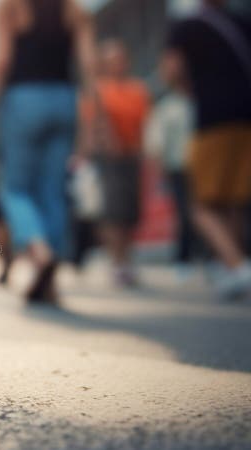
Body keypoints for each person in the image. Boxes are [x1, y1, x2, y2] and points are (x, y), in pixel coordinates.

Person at [0, 0, 98, 303]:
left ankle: (40, 252)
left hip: (23, 101)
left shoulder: (11, 7)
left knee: (14, 188)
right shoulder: (74, 10)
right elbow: (89, 65)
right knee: (52, 191)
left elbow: (3, 61)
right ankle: (50, 284)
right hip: (64, 99)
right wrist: (94, 117)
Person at [165, 0, 251, 299]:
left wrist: (194, 92)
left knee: (200, 203)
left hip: (212, 118)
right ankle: (231, 266)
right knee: (233, 200)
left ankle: (237, 265)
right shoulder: (240, 21)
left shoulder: (187, 25)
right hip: (246, 117)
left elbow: (172, 70)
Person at [86, 40, 149, 287]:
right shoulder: (98, 90)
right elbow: (91, 126)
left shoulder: (138, 89)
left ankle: (127, 258)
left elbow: (143, 123)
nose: (117, 64)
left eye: (120, 59)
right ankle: (117, 261)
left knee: (130, 210)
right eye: (111, 60)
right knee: (112, 210)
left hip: (132, 155)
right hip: (108, 157)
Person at [144, 51, 196, 274]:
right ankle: (183, 258)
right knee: (186, 213)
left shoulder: (197, 101)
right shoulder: (166, 106)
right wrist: (160, 169)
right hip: (178, 166)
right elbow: (156, 143)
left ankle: (216, 259)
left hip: (203, 164)